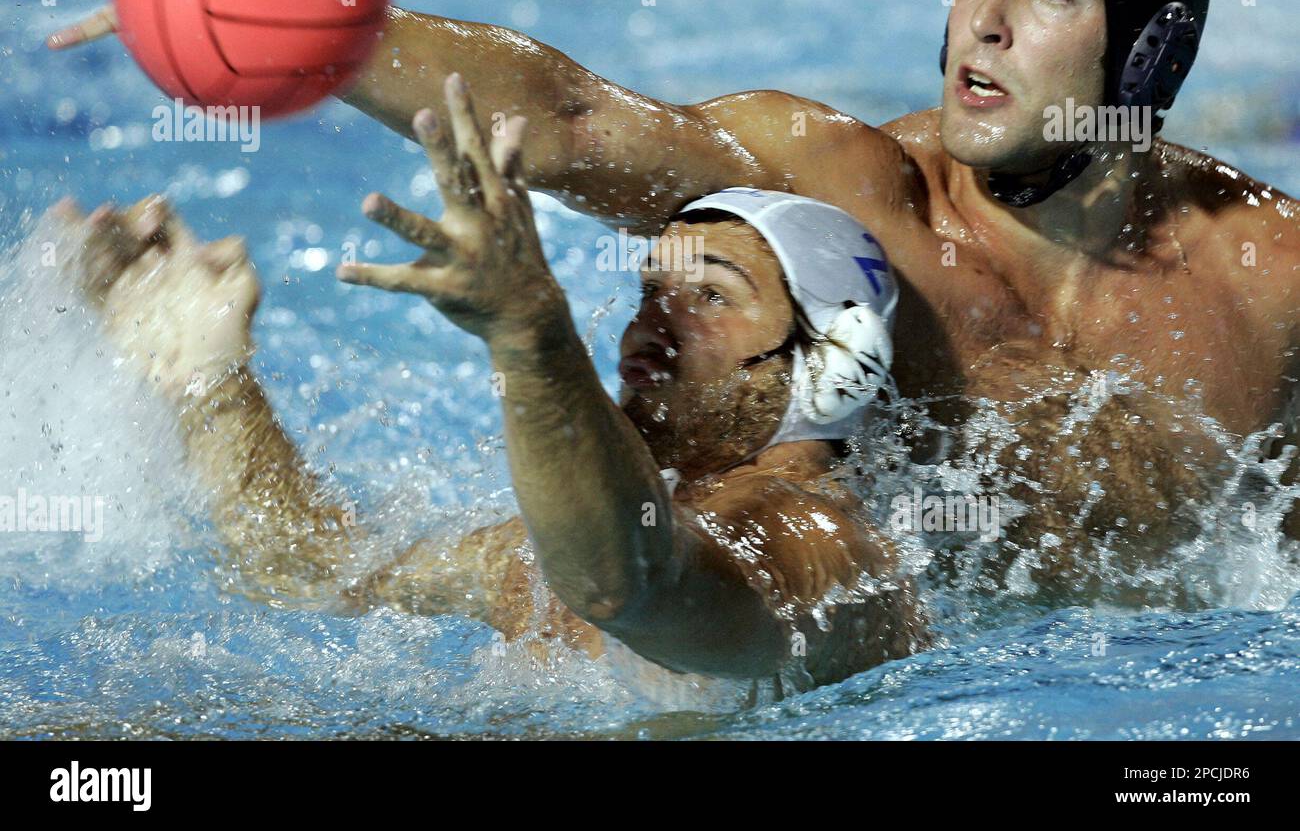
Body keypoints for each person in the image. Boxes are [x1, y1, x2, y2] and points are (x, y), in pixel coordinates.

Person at [5, 0, 1297, 588]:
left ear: (1144, 59)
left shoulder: (1268, 277)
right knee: (335, 579)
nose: (985, 20)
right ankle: (202, 374)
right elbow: (571, 118)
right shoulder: (854, 187)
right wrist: (295, 21)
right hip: (784, 586)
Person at [52, 73, 924, 696]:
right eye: (653, 287)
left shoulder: (829, 550)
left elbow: (629, 588)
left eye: (710, 295)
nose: (651, 320)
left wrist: (527, 326)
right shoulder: (563, 537)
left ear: (832, 356)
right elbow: (303, 565)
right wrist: (207, 374)